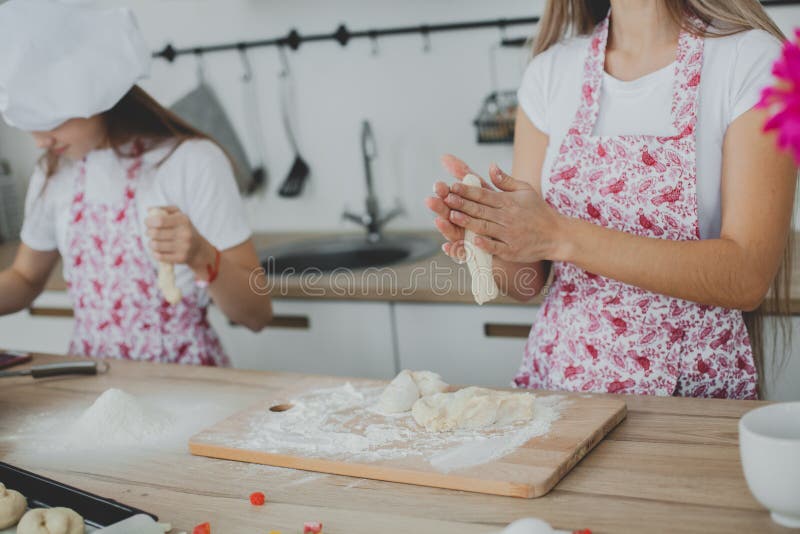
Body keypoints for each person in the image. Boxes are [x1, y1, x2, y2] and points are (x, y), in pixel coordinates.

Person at [427, 0, 796, 399]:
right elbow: (528, 277)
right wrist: (490, 233)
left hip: (692, 403)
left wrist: (560, 235)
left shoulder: (753, 61)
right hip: (565, 391)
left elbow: (746, 277)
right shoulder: (549, 74)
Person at [0, 0, 272, 365]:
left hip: (190, 387)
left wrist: (200, 255)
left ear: (98, 93)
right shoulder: (54, 172)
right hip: (90, 386)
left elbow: (256, 314)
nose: (39, 141)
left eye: (51, 121)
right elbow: (25, 278)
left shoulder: (191, 162)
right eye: (29, 123)